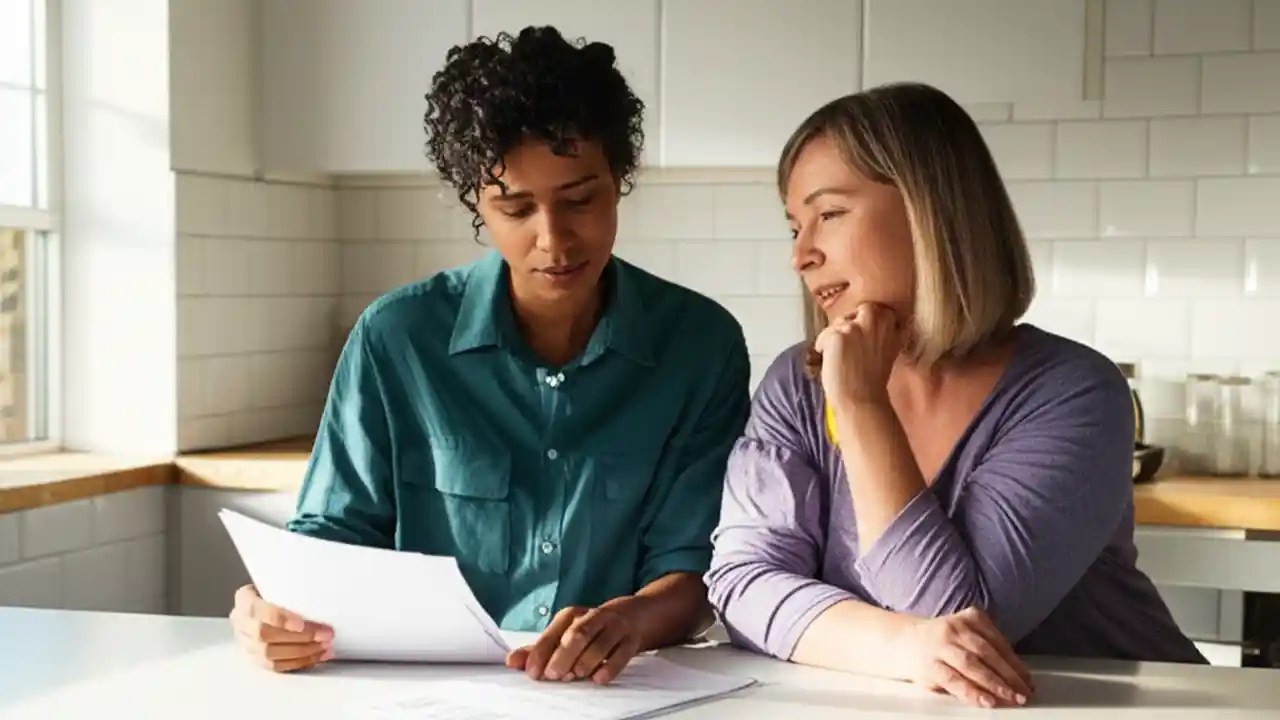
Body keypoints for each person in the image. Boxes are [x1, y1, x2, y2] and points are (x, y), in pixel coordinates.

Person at [228, 26, 750, 684]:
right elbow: (333, 535)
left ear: (620, 180)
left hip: (622, 692)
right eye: (515, 207)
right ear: (476, 200)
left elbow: (695, 566)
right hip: (428, 697)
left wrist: (630, 621)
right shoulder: (397, 338)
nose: (552, 239)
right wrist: (276, 610)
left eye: (579, 199)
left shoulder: (699, 347)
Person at [705, 82, 1204, 709]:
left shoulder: (1074, 393)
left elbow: (963, 620)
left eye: (829, 214)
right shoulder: (798, 385)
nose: (801, 255)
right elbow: (742, 585)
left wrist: (861, 408)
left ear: (929, 211)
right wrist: (902, 649)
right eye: (794, 225)